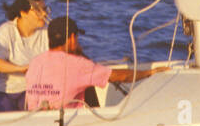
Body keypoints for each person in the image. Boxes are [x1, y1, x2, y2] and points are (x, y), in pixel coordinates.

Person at [25, 17, 160, 112]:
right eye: (76, 38)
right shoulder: (78, 65)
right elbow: (121, 76)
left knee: (87, 85)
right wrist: (150, 72)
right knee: (87, 82)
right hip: (64, 123)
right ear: (72, 37)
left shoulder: (35, 62)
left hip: (35, 121)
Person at [0, 0, 49, 113]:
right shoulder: (6, 31)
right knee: (9, 116)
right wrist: (22, 69)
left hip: (29, 90)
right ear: (23, 13)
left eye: (45, 9)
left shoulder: (46, 32)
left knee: (37, 114)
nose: (44, 14)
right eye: (38, 10)